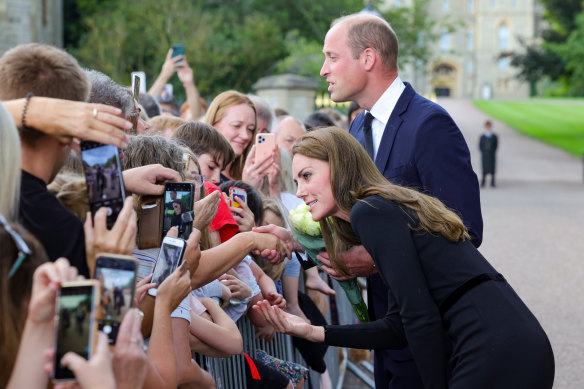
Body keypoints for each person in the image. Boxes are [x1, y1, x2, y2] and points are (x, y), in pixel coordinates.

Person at [255, 127, 555, 389]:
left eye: (307, 176)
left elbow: (418, 317)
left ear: (340, 167)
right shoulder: (378, 209)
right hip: (509, 341)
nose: (301, 191)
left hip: (496, 347)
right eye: (296, 182)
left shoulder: (370, 212)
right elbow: (399, 327)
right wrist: (312, 331)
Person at [318, 13, 483, 388]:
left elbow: (466, 230)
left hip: (430, 330)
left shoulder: (430, 124)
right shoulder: (357, 127)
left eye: (332, 56)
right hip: (387, 327)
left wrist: (376, 260)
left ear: (368, 58)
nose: (324, 69)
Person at [479, 120, 498, 188]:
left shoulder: (494, 136)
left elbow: (496, 145)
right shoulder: (482, 136)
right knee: (484, 167)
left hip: (491, 154)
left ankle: (492, 181)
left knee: (492, 167)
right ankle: (483, 181)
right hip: (485, 154)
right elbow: (480, 145)